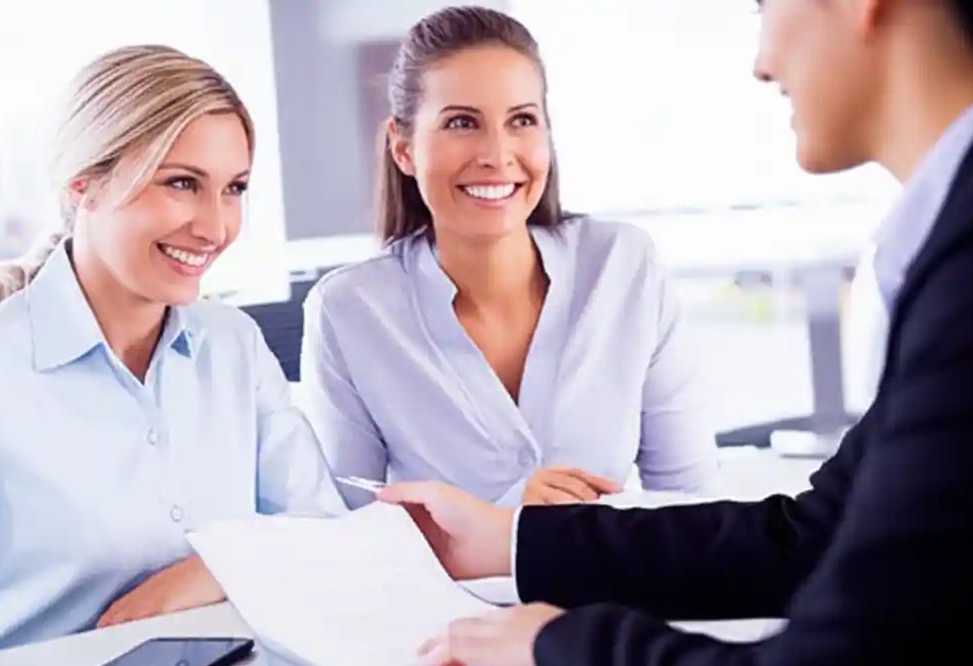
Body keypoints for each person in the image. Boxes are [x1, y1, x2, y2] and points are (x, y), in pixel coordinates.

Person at [380, 1, 973, 666]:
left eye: (764, 5)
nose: (761, 60)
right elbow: (814, 536)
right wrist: (511, 539)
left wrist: (562, 645)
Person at [0, 45, 345, 666]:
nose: (216, 226)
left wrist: (206, 572)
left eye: (233, 189)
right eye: (181, 183)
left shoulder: (233, 345)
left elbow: (326, 542)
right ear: (83, 184)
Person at [300, 6, 717, 508]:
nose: (497, 154)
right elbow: (345, 532)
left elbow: (692, 503)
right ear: (403, 147)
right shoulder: (350, 311)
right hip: (443, 591)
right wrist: (505, 517)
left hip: (617, 586)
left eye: (521, 120)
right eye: (461, 123)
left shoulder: (624, 265)